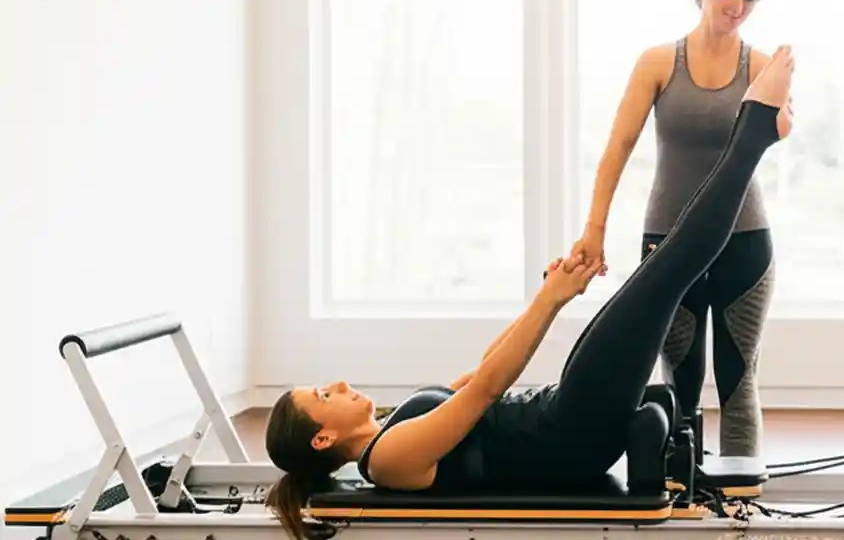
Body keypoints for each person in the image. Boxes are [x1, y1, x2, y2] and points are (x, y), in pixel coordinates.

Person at [263, 50, 795, 540]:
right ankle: (753, 133)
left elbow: (478, 373)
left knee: (664, 273)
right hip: (572, 429)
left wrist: (554, 296)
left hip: (571, 416)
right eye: (323, 397)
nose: (336, 384)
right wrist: (548, 303)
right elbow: (487, 389)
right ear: (322, 440)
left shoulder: (393, 429)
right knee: (669, 270)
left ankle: (755, 134)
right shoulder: (387, 459)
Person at [571, 0, 778, 458]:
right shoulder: (658, 63)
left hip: (744, 241)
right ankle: (681, 497)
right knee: (679, 379)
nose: (738, 8)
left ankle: (740, 504)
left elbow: (777, 129)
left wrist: (782, 103)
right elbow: (617, 148)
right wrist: (594, 231)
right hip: (669, 241)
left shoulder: (762, 67)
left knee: (738, 378)